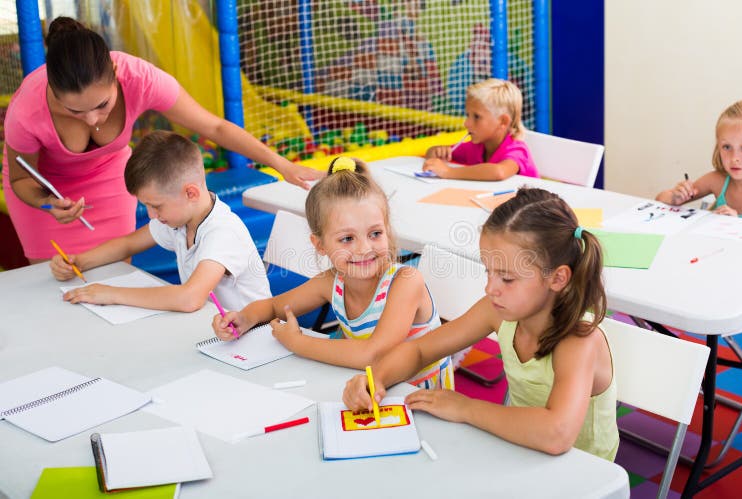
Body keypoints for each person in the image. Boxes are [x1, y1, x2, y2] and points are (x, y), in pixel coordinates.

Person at [4, 16, 322, 263]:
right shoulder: (27, 109)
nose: (92, 119)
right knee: (53, 283)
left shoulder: (140, 79)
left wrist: (282, 165)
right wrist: (47, 202)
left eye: (102, 105)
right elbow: (21, 177)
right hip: (45, 191)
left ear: (115, 71)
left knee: (114, 273)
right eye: (74, 111)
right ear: (52, 90)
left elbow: (215, 128)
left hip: (107, 178)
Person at [342, 188, 619, 461]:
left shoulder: (579, 340)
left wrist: (466, 408)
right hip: (520, 450)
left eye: (507, 278)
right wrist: (375, 379)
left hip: (583, 473)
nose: (490, 288)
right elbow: (420, 350)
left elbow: (557, 434)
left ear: (557, 279)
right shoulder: (497, 310)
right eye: (489, 271)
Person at [211, 156, 454, 390]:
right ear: (320, 245)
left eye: (375, 234)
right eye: (347, 238)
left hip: (419, 396)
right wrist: (244, 318)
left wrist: (298, 342)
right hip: (368, 389)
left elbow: (374, 355)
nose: (364, 248)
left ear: (387, 230)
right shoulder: (330, 282)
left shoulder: (406, 282)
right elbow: (274, 307)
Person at [50, 131, 269, 312]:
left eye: (156, 206)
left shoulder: (223, 232)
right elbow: (127, 244)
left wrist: (111, 294)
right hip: (213, 330)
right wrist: (79, 262)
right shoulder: (181, 218)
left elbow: (190, 298)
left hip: (252, 339)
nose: (151, 215)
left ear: (190, 193)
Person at [656, 99, 742, 224]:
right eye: (727, 147)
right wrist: (674, 198)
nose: (734, 157)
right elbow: (659, 201)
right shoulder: (716, 181)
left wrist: (737, 226)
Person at [422, 78, 537, 181]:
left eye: (476, 117)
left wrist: (448, 172)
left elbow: (499, 172)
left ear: (503, 122)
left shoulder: (517, 150)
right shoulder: (475, 148)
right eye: (468, 115)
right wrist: (436, 152)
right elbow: (432, 153)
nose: (466, 123)